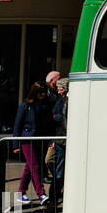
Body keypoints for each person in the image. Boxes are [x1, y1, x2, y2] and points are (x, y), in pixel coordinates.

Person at [13, 82, 49, 205]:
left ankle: (21, 192)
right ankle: (41, 193)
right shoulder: (25, 105)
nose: (43, 95)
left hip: (39, 140)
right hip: (27, 140)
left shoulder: (43, 106)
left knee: (30, 167)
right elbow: (18, 125)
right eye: (41, 92)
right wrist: (16, 144)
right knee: (35, 166)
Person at [50, 77, 69, 205]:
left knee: (59, 170)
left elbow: (61, 117)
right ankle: (54, 197)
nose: (58, 91)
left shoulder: (65, 101)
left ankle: (54, 198)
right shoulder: (61, 100)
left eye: (60, 88)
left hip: (62, 140)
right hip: (60, 140)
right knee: (54, 165)